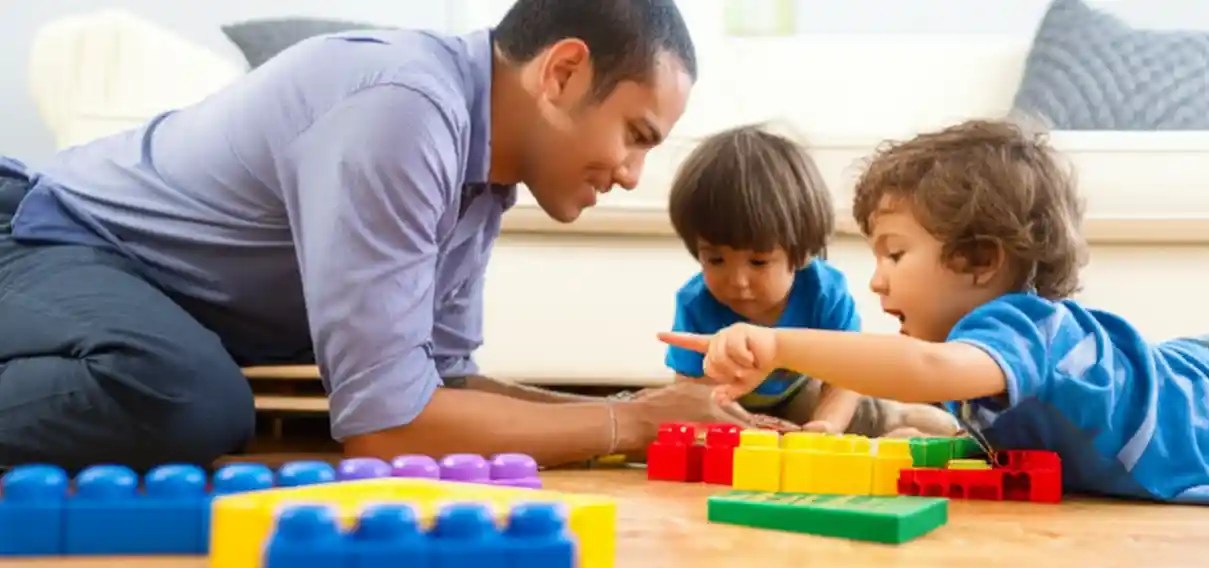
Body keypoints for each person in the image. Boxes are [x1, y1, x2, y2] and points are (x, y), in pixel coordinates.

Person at [0, 0, 751, 473]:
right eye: (635, 135)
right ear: (561, 73)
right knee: (189, 398)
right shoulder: (404, 109)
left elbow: (439, 385)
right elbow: (387, 430)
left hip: (131, 289)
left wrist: (640, 408)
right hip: (46, 234)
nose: (630, 173)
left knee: (190, 384)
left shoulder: (484, 175)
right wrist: (625, 424)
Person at [659, 118, 1209, 507]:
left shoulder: (1015, 328)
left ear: (981, 259)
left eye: (895, 254)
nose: (875, 282)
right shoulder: (984, 361)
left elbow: (923, 368)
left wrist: (778, 345)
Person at [662, 124, 958, 437]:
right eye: (715, 259)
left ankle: (897, 416)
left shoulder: (823, 291)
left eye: (759, 261)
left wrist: (826, 426)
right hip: (731, 401)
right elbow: (691, 393)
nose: (737, 281)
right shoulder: (695, 302)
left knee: (861, 416)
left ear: (801, 253)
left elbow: (847, 375)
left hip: (801, 393)